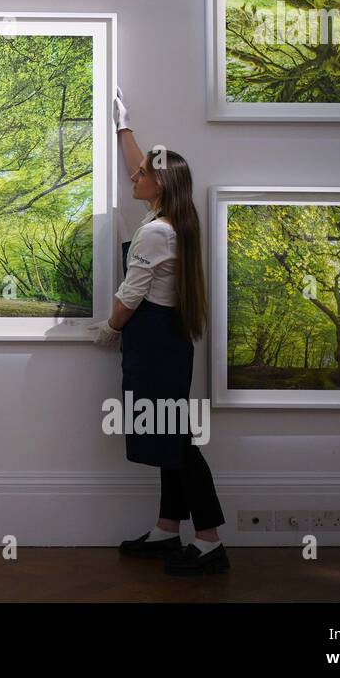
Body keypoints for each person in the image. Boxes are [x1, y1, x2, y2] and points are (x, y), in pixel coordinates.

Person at [88, 88, 227, 576]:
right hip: (167, 346)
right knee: (171, 439)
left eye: (142, 173)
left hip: (155, 348)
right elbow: (142, 164)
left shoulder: (155, 232)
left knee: (178, 443)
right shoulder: (169, 220)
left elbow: (129, 297)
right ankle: (169, 529)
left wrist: (107, 330)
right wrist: (123, 128)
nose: (134, 174)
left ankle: (209, 542)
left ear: (159, 185)